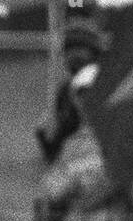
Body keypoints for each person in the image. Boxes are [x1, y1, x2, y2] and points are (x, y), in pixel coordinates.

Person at [33, 63, 133, 221]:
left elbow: (58, 189)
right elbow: (54, 190)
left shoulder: (107, 139)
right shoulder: (78, 140)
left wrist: (73, 187)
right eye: (83, 96)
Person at [36, 17, 104, 165]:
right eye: (69, 50)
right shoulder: (66, 88)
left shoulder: (92, 77)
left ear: (93, 51)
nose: (74, 55)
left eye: (80, 49)